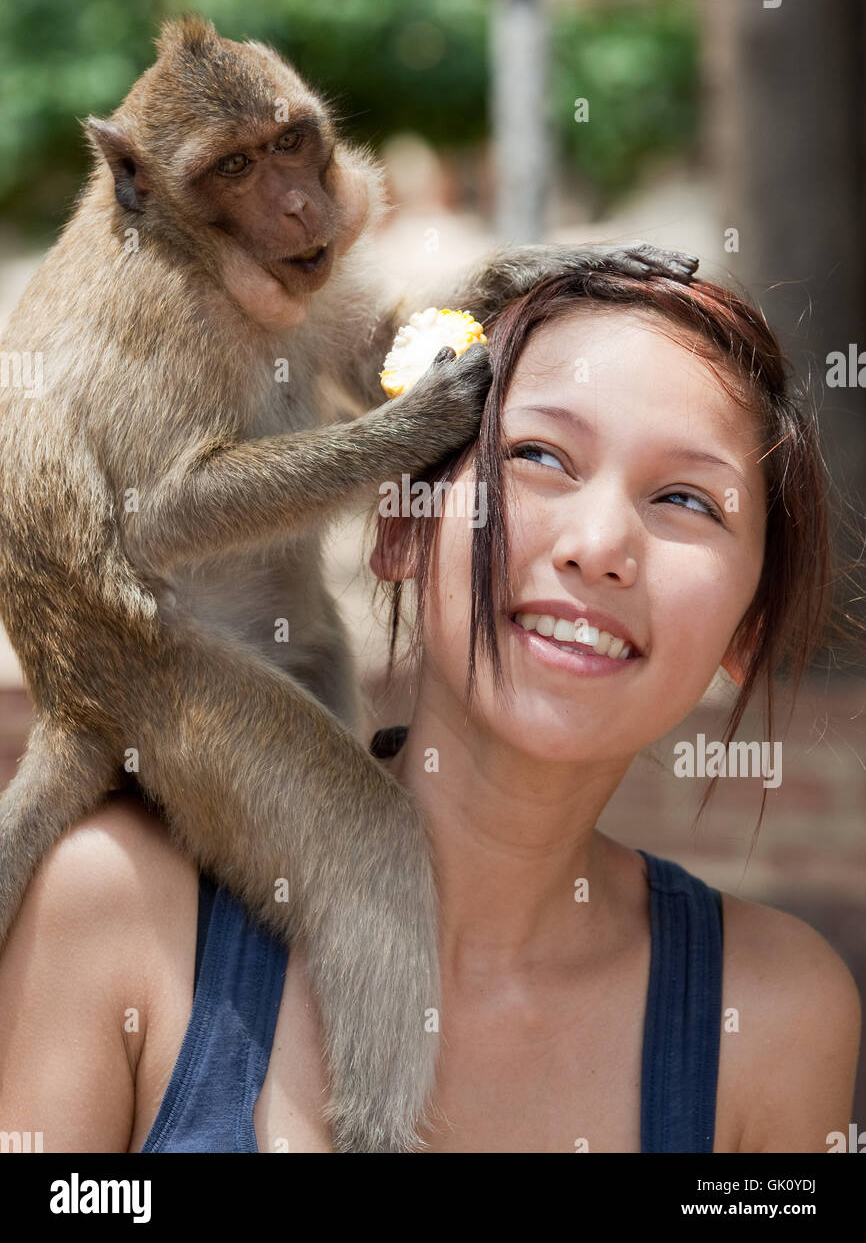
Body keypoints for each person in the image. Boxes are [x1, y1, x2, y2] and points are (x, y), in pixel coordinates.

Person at [0, 250, 860, 1153]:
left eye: (685, 498)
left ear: (745, 631)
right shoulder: (117, 911)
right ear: (405, 524)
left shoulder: (773, 1016)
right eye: (537, 455)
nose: (601, 544)